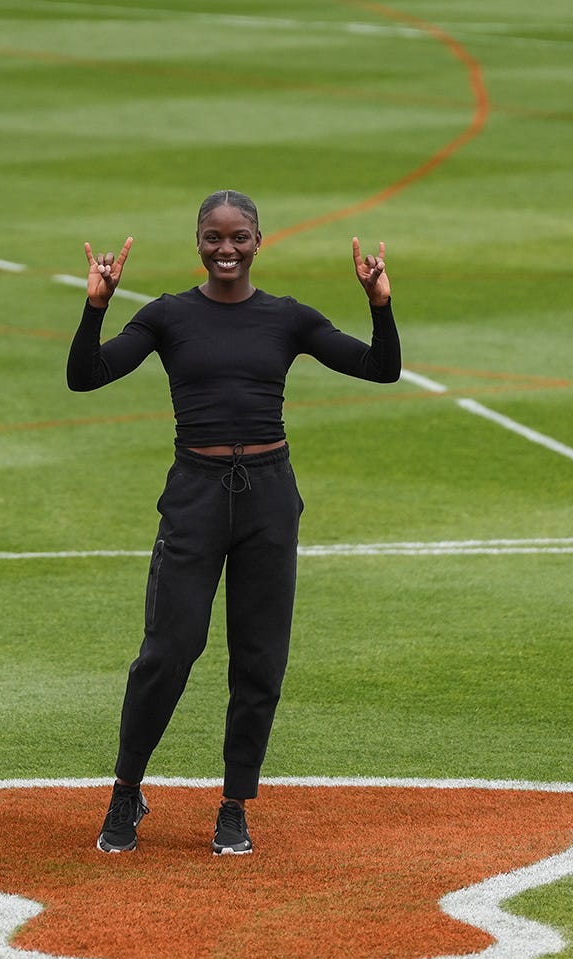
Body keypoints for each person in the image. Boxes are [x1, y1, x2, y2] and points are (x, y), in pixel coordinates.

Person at [68, 190, 400, 856]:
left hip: (269, 499)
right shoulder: (167, 317)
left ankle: (233, 805)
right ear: (198, 241)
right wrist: (96, 306)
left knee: (259, 658)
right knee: (168, 651)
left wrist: (379, 303)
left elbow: (380, 367)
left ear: (258, 240)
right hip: (194, 494)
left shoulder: (286, 318)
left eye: (240, 237)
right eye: (215, 237)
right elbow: (87, 375)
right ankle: (126, 790)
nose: (227, 249)